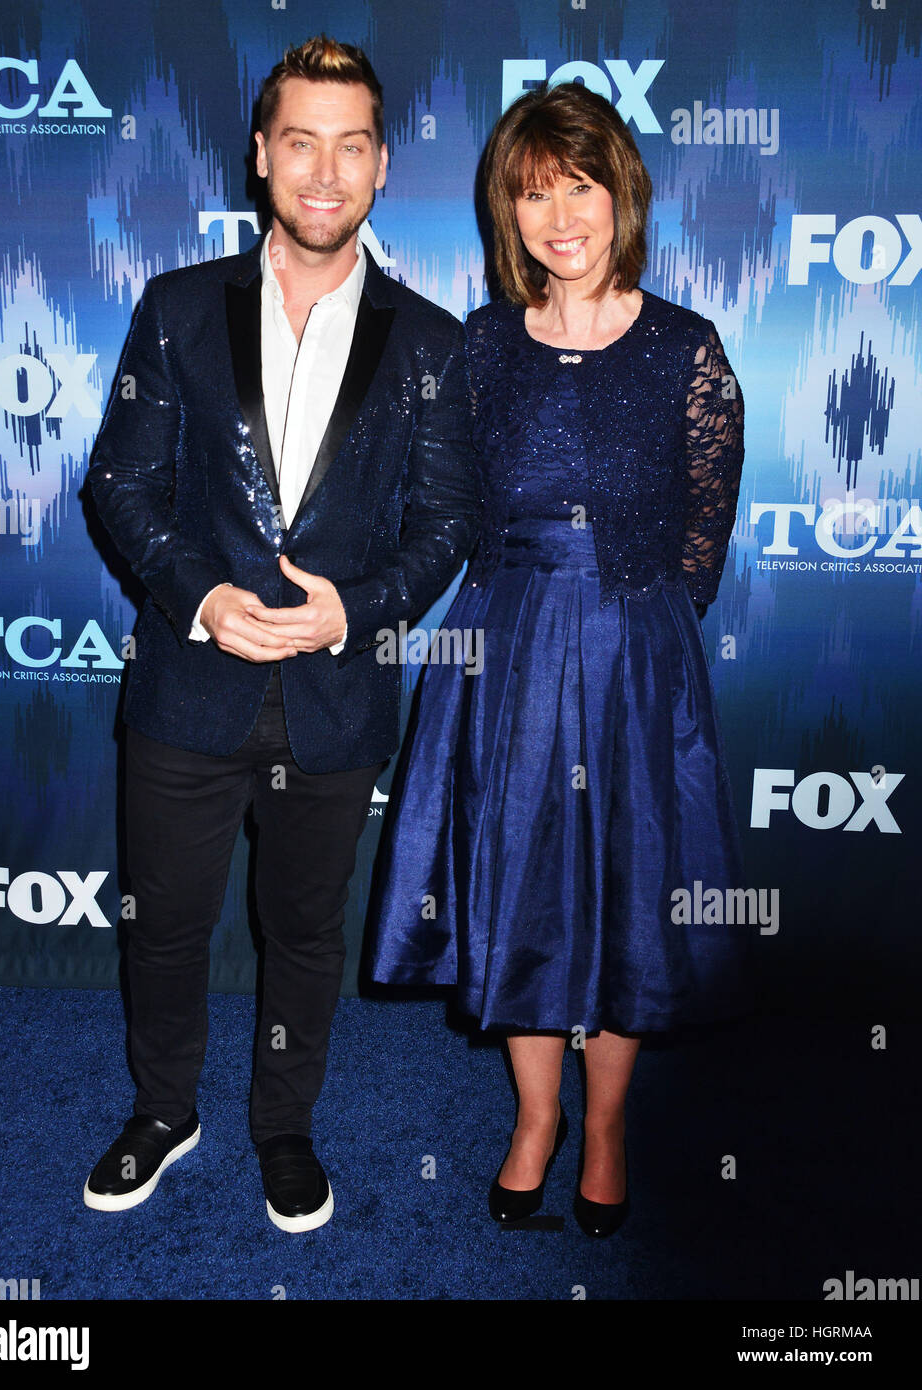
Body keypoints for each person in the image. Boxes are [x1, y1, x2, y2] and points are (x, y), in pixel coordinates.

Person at [83, 35, 480, 1233]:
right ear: (261, 157)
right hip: (187, 685)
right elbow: (120, 484)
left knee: (304, 931)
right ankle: (165, 1109)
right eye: (299, 142)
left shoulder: (431, 340)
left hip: (336, 696)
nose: (324, 171)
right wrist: (201, 595)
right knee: (166, 922)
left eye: (349, 145)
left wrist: (353, 609)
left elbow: (450, 517)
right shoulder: (176, 309)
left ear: (380, 164)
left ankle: (283, 1124)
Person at [367, 81, 754, 1237]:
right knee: (519, 887)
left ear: (619, 189)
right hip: (507, 655)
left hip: (638, 652)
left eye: (578, 185)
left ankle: (609, 1126)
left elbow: (704, 528)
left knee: (634, 892)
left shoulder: (687, 348)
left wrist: (635, 629)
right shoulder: (481, 346)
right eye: (533, 194)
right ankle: (535, 1120)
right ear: (509, 212)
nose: (560, 216)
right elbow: (445, 514)